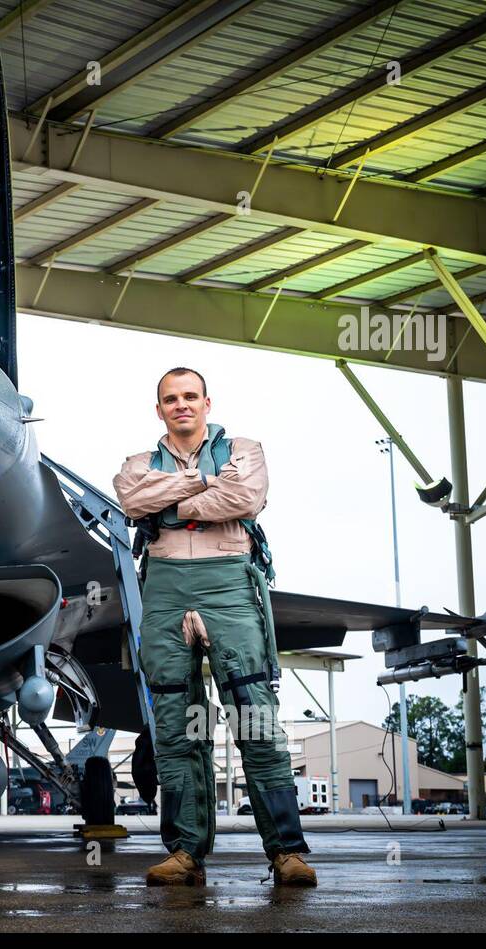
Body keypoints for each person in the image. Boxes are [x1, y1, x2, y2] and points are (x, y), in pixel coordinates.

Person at [112, 367, 315, 887]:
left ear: (207, 402)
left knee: (257, 718)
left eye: (190, 397)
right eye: (170, 399)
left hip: (230, 584)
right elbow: (132, 502)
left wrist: (171, 501)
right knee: (176, 727)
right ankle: (184, 852)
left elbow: (244, 498)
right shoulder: (138, 463)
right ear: (158, 409)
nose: (181, 405)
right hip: (163, 589)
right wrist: (204, 484)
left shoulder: (245, 450)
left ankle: (287, 852)